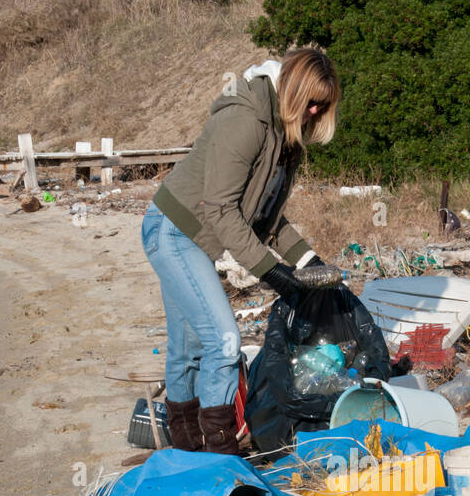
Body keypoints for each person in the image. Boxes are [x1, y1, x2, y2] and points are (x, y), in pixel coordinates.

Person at [140, 47, 340, 453]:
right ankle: (221, 451)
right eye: (314, 103)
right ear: (296, 91)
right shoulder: (245, 120)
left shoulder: (286, 137)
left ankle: (188, 450)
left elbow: (265, 217)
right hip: (175, 232)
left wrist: (305, 260)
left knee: (188, 349)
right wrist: (271, 272)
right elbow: (219, 210)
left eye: (324, 106)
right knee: (225, 342)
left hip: (196, 239)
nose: (317, 113)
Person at [245, 276, 392, 455]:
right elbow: (285, 389)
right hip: (289, 430)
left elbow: (374, 355)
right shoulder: (292, 326)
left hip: (330, 392)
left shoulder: (342, 304)